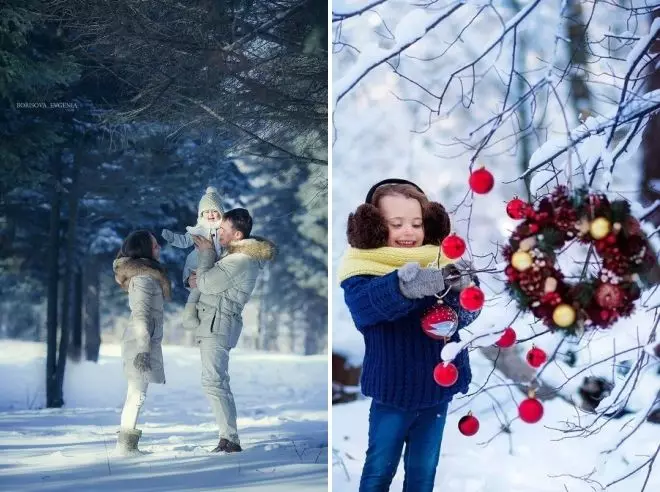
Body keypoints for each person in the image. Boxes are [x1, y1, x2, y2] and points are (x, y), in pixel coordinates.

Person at [337, 179, 480, 491]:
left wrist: (467, 289)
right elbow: (366, 307)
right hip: (393, 390)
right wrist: (403, 287)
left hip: (436, 386)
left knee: (423, 471)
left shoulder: (440, 261)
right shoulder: (361, 268)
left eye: (416, 223)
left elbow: (464, 316)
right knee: (379, 469)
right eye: (396, 223)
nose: (408, 232)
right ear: (373, 226)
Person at [186, 208, 275, 453]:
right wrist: (198, 277)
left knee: (215, 382)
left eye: (223, 230)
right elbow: (203, 281)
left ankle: (230, 440)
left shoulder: (240, 259)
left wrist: (205, 254)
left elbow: (205, 282)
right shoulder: (232, 257)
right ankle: (228, 438)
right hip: (214, 323)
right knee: (215, 382)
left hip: (218, 324)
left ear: (237, 234)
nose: (218, 234)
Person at [112, 230, 171, 455]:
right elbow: (140, 316)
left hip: (142, 343)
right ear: (144, 249)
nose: (159, 248)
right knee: (136, 395)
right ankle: (125, 447)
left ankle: (126, 445)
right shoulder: (143, 279)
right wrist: (143, 350)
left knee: (135, 394)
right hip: (139, 345)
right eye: (155, 245)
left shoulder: (147, 276)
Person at [161, 186, 224, 320]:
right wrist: (172, 238)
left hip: (216, 263)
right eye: (207, 211)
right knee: (196, 287)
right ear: (201, 214)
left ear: (221, 212)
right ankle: (191, 312)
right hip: (198, 261)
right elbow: (184, 241)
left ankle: (207, 311)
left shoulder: (223, 229)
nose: (211, 214)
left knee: (209, 288)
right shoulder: (198, 230)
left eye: (214, 211)